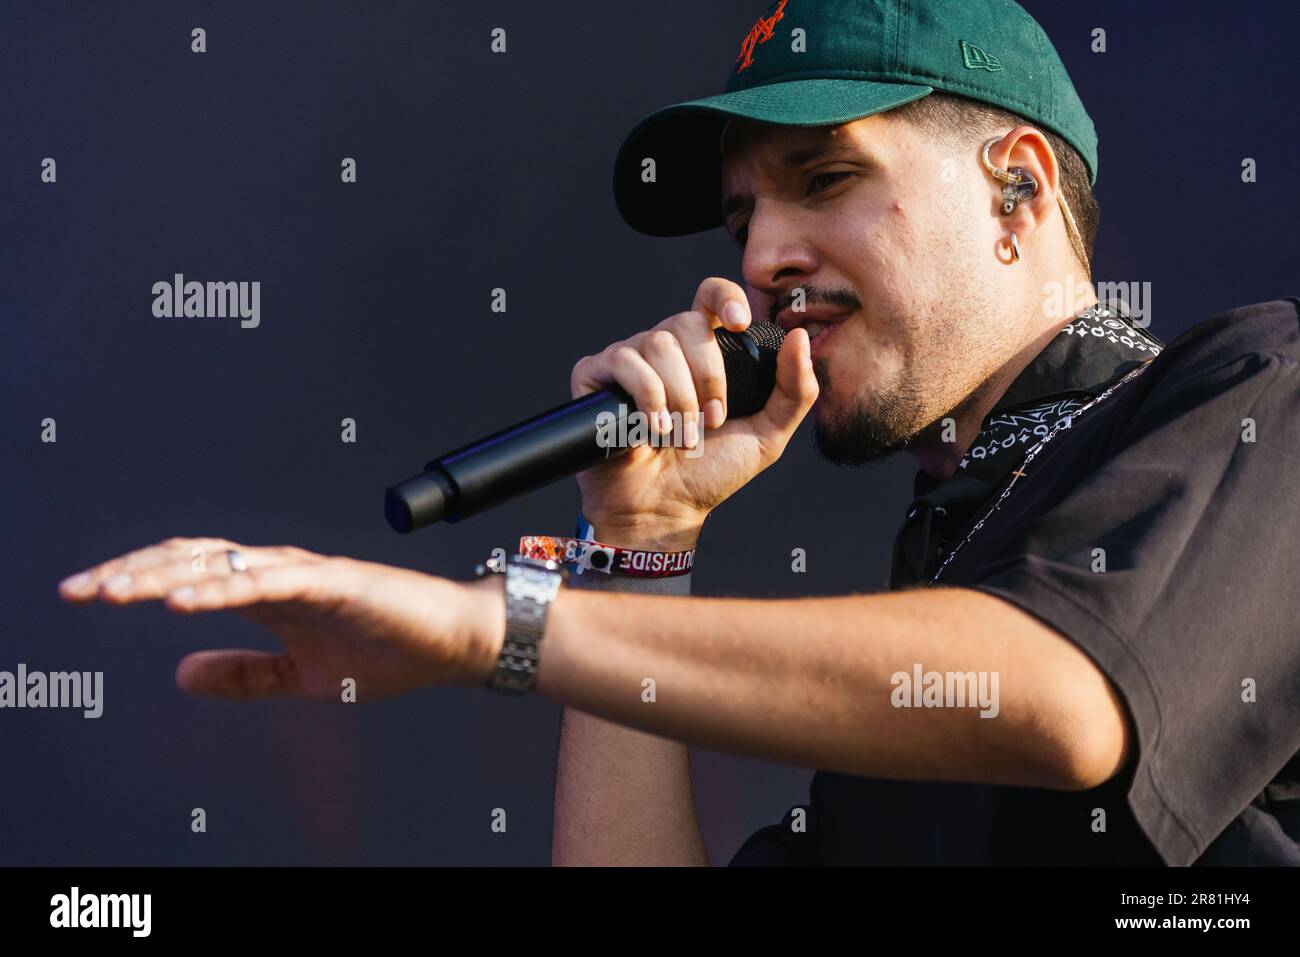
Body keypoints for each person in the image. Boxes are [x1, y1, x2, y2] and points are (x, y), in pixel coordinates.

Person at [58, 0, 1299, 866]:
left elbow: (1062, 700)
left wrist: (501, 625)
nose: (761, 261)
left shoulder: (1261, 380)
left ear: (1017, 190)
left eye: (824, 180)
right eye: (741, 218)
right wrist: (639, 540)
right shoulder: (944, 583)